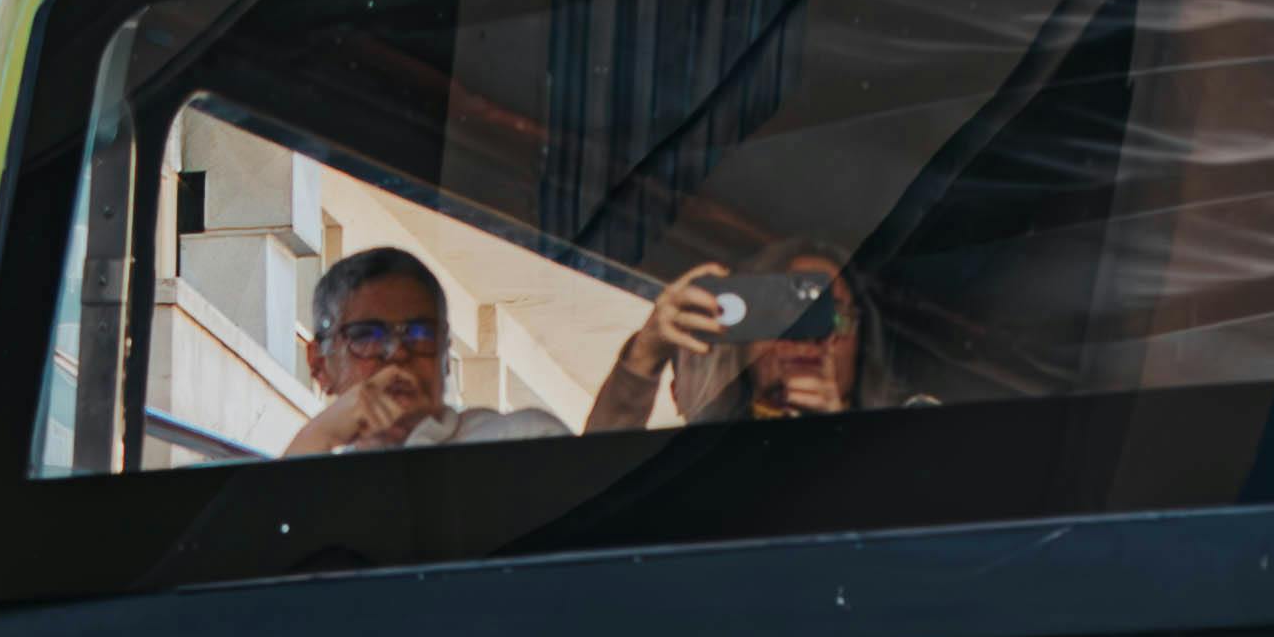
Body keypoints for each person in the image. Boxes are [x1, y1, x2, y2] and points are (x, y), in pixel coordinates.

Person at [278, 249, 566, 459]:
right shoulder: (321, 483)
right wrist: (317, 436)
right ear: (319, 365)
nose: (398, 353)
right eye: (366, 336)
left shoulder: (521, 442)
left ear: (445, 358)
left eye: (421, 333)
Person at [586, 245, 886, 429]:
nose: (805, 340)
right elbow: (592, 490)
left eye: (830, 318)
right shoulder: (699, 455)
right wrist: (645, 355)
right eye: (779, 316)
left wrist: (836, 438)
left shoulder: (903, 439)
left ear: (862, 346)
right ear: (746, 345)